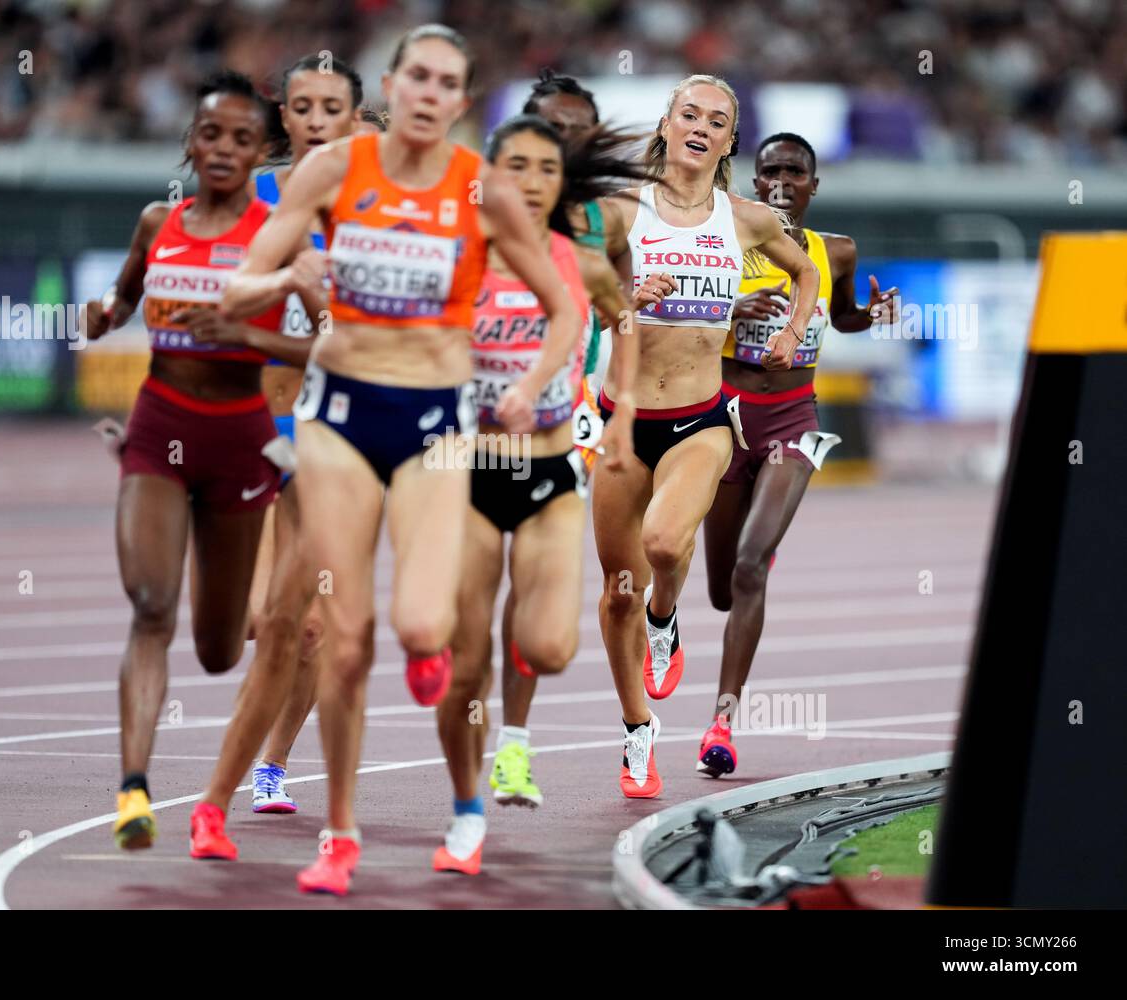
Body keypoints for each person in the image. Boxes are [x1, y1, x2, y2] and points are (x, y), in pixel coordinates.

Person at [209, 25, 583, 896]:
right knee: (339, 637)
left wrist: (529, 383)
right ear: (393, 82)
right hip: (339, 416)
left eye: (445, 82)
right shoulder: (335, 170)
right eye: (414, 74)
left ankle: (436, 700)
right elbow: (240, 284)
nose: (426, 91)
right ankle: (337, 838)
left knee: (424, 629)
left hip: (436, 426)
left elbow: (563, 311)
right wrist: (293, 277)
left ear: (459, 102)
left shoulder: (480, 190)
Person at [81, 71, 309, 849]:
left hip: (241, 436)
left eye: (242, 139)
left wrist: (248, 335)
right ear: (191, 141)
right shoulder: (158, 223)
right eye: (210, 134)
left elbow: (326, 344)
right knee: (150, 608)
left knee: (218, 649)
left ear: (259, 152)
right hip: (158, 425)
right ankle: (133, 791)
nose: (222, 149)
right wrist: (104, 315)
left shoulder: (279, 235)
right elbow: (121, 300)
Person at [434, 114, 650, 873]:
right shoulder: (454, 258)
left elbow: (627, 325)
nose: (529, 182)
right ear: (488, 176)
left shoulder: (580, 263)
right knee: (464, 659)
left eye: (546, 170)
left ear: (562, 186)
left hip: (552, 468)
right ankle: (467, 813)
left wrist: (619, 414)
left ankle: (515, 742)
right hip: (466, 470)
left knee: (547, 644)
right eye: (515, 166)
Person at [596, 74, 819, 799]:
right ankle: (638, 732)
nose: (700, 126)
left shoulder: (747, 218)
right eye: (688, 113)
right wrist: (622, 302)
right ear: (665, 124)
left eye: (716, 120)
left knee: (663, 546)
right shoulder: (619, 209)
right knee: (617, 590)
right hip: (622, 417)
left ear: (728, 141)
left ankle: (668, 616)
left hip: (699, 419)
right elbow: (573, 297)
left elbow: (806, 271)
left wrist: (790, 328)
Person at [182, 58, 367, 855]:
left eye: (336, 108)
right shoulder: (248, 201)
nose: (319, 120)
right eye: (304, 108)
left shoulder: (379, 214)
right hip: (248, 427)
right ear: (284, 118)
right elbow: (200, 309)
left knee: (315, 629)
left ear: (358, 119)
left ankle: (270, 769)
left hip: (334, 435)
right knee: (255, 622)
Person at [698, 131, 898, 776]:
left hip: (793, 418)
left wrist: (871, 313)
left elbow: (841, 319)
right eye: (770, 171)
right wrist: (733, 307)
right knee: (723, 590)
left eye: (795, 171)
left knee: (752, 568)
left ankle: (722, 724)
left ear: (814, 185)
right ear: (753, 184)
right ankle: (753, 539)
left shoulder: (834, 251)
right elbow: (683, 317)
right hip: (722, 419)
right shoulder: (723, 238)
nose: (782, 179)